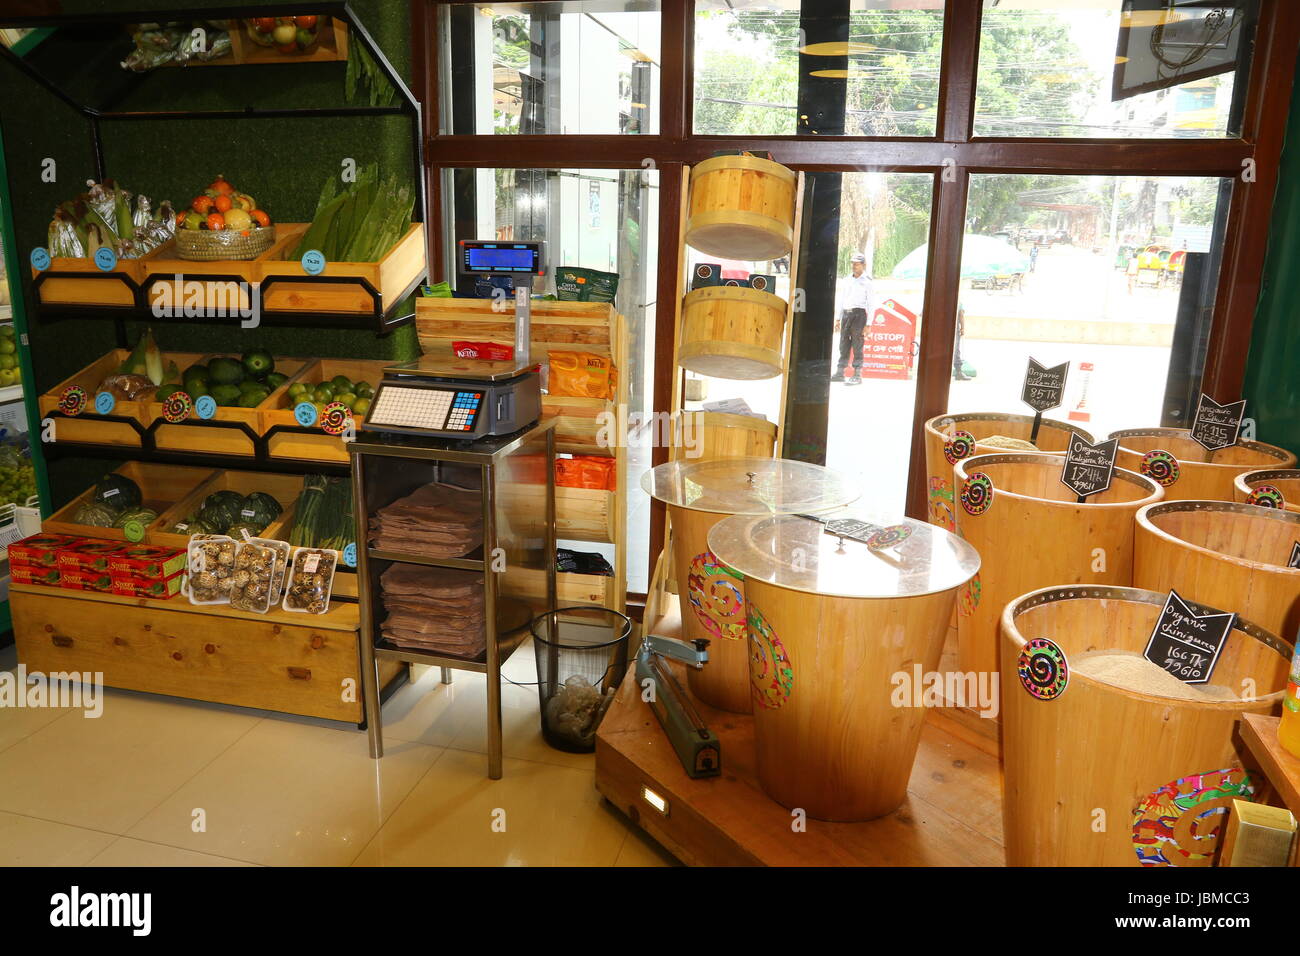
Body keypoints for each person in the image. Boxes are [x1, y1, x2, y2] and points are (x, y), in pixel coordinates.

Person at [832, 252, 871, 385]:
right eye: (853, 263)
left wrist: (869, 324)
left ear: (863, 265)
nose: (854, 266)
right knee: (843, 343)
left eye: (857, 264)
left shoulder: (867, 281)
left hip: (859, 315)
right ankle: (840, 371)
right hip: (846, 314)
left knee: (857, 344)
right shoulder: (847, 279)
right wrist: (838, 318)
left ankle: (857, 374)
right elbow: (842, 299)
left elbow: (872, 303)